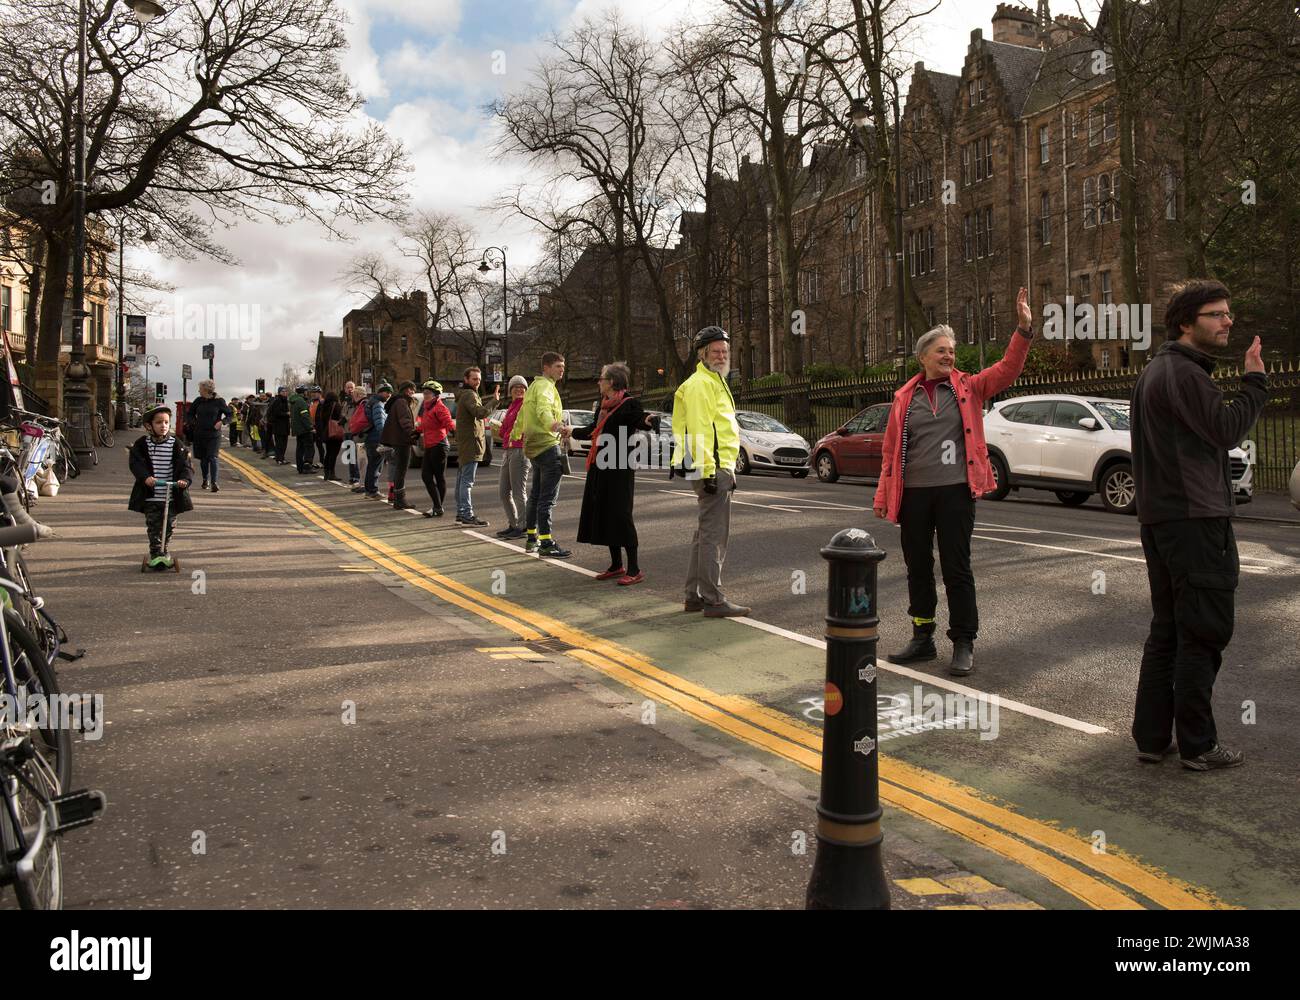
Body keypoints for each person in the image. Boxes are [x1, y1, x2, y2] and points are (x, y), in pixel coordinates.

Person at [1130, 280, 1267, 772]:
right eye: (1216, 314)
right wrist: (1255, 381)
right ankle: (1199, 745)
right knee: (1203, 632)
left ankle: (1151, 737)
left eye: (1228, 313)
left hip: (1163, 520)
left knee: (1167, 629)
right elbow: (1227, 430)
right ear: (1186, 323)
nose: (1227, 321)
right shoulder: (1186, 375)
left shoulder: (1156, 371)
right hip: (1195, 520)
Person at [873, 288, 1035, 677]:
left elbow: (1007, 369)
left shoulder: (968, 387)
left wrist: (1023, 330)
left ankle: (963, 641)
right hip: (912, 494)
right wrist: (883, 496)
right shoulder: (904, 398)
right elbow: (890, 451)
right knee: (917, 566)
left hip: (955, 493)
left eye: (951, 350)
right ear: (923, 357)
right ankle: (922, 636)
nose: (948, 356)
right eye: (941, 351)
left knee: (956, 567)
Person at [671, 327, 746, 617]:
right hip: (710, 468)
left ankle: (693, 596)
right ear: (702, 354)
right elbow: (701, 429)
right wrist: (711, 471)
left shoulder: (714, 381)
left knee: (703, 533)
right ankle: (713, 599)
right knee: (714, 535)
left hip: (714, 466)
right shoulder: (703, 384)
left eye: (725, 350)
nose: (722, 355)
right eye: (716, 351)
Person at [571, 363, 659, 585]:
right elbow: (593, 431)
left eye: (601, 379)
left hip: (619, 468)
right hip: (600, 466)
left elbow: (640, 419)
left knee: (621, 515)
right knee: (605, 512)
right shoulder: (603, 406)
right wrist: (569, 430)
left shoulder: (629, 404)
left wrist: (648, 420)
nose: (598, 382)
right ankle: (616, 565)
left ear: (611, 382)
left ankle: (635, 568)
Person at [519, 353, 571, 557]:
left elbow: (523, 416)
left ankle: (531, 538)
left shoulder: (533, 387)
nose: (562, 369)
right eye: (558, 366)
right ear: (547, 367)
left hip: (533, 447)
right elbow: (543, 410)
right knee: (547, 499)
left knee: (535, 495)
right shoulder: (545, 387)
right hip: (548, 445)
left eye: (563, 366)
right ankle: (546, 542)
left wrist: (515, 434)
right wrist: (555, 425)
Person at [128, 406, 193, 565]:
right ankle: (156, 552)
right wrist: (145, 477)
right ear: (149, 426)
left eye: (166, 422)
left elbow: (186, 465)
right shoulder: (143, 444)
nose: (163, 425)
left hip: (171, 493)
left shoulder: (175, 444)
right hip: (151, 495)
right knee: (154, 524)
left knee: (169, 524)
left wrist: (184, 480)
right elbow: (135, 463)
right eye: (158, 422)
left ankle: (164, 549)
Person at [453, 367, 499, 526]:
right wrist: (495, 400)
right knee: (467, 481)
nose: (477, 382)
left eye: (479, 379)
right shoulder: (470, 395)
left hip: (466, 443)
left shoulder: (465, 394)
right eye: (474, 379)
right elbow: (480, 413)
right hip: (471, 444)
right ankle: (466, 513)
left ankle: (461, 512)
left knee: (461, 480)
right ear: (466, 380)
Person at [493, 375, 530, 539]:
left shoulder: (526, 406)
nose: (519, 389)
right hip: (508, 451)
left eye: (522, 387)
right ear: (510, 390)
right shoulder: (511, 407)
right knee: (503, 492)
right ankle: (514, 523)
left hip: (520, 450)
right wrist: (499, 429)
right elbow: (504, 432)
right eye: (515, 387)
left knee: (518, 491)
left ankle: (523, 526)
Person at [416, 380, 454, 518]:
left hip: (439, 445)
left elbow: (448, 422)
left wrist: (454, 431)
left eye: (428, 393)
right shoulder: (427, 408)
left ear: (436, 395)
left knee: (439, 477)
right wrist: (416, 431)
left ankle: (437, 507)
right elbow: (425, 424)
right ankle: (437, 506)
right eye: (424, 392)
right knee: (426, 476)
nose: (425, 395)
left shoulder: (440, 408)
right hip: (429, 445)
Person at [187, 379, 233, 492]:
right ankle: (205, 480)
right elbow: (190, 414)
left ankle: (214, 483)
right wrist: (194, 423)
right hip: (200, 434)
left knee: (212, 457)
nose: (199, 391)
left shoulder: (219, 401)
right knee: (203, 459)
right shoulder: (198, 401)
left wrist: (222, 422)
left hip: (214, 434)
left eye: (200, 389)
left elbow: (230, 415)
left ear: (207, 390)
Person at [381, 381, 419, 511]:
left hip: (397, 440)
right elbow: (405, 421)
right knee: (401, 469)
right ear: (406, 390)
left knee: (399, 469)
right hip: (402, 440)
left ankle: (398, 499)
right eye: (411, 389)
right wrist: (412, 434)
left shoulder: (397, 401)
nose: (413, 392)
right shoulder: (402, 402)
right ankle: (400, 500)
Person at [353, 383, 390, 499]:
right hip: (376, 438)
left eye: (390, 392)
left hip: (369, 438)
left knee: (372, 465)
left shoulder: (371, 401)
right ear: (380, 392)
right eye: (386, 392)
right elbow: (380, 423)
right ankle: (372, 491)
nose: (389, 394)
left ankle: (369, 490)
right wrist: (384, 438)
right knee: (375, 466)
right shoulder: (378, 404)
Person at [314, 390, 345, 482]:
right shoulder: (336, 406)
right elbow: (341, 418)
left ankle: (326, 473)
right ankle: (332, 473)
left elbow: (320, 419)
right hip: (335, 432)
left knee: (328, 452)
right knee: (334, 453)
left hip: (326, 432)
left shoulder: (323, 406)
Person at [289, 385, 315, 474]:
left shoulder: (294, 401)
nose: (307, 393)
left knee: (300, 448)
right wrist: (310, 427)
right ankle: (307, 466)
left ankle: (300, 467)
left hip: (297, 429)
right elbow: (305, 416)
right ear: (303, 392)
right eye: (306, 391)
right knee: (309, 448)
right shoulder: (301, 402)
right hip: (304, 429)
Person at [340, 381, 361, 485]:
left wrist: (345, 418)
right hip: (346, 431)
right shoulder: (345, 401)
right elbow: (343, 413)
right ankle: (352, 476)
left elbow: (356, 416)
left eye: (351, 387)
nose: (350, 389)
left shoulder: (356, 401)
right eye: (348, 387)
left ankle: (356, 477)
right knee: (349, 455)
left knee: (355, 455)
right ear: (345, 389)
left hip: (354, 431)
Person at [266, 386, 291, 465]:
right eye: (282, 391)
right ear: (279, 392)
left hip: (284, 425)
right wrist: (286, 414)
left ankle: (282, 458)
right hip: (278, 426)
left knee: (284, 443)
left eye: (285, 391)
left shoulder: (284, 400)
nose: (284, 393)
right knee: (280, 443)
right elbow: (276, 413)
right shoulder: (277, 400)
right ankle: (279, 459)